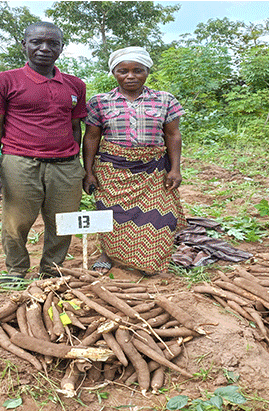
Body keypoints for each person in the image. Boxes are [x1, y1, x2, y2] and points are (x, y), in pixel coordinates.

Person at [0, 21, 87, 281]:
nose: (44, 48)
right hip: (20, 162)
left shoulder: (75, 85)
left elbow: (75, 128)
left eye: (53, 43)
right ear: (24, 44)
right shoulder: (2, 81)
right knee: (16, 222)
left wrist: (79, 164)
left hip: (66, 165)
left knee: (63, 222)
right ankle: (16, 271)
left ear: (61, 48)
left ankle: (51, 272)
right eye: (37, 42)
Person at [82, 46, 186, 276]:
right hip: (112, 168)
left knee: (155, 215)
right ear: (114, 73)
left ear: (147, 71)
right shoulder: (100, 102)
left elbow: (172, 135)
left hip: (153, 169)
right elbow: (91, 137)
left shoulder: (164, 100)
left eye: (137, 70)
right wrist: (88, 171)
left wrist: (175, 169)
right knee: (112, 213)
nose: (130, 76)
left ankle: (150, 257)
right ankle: (108, 253)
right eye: (123, 71)